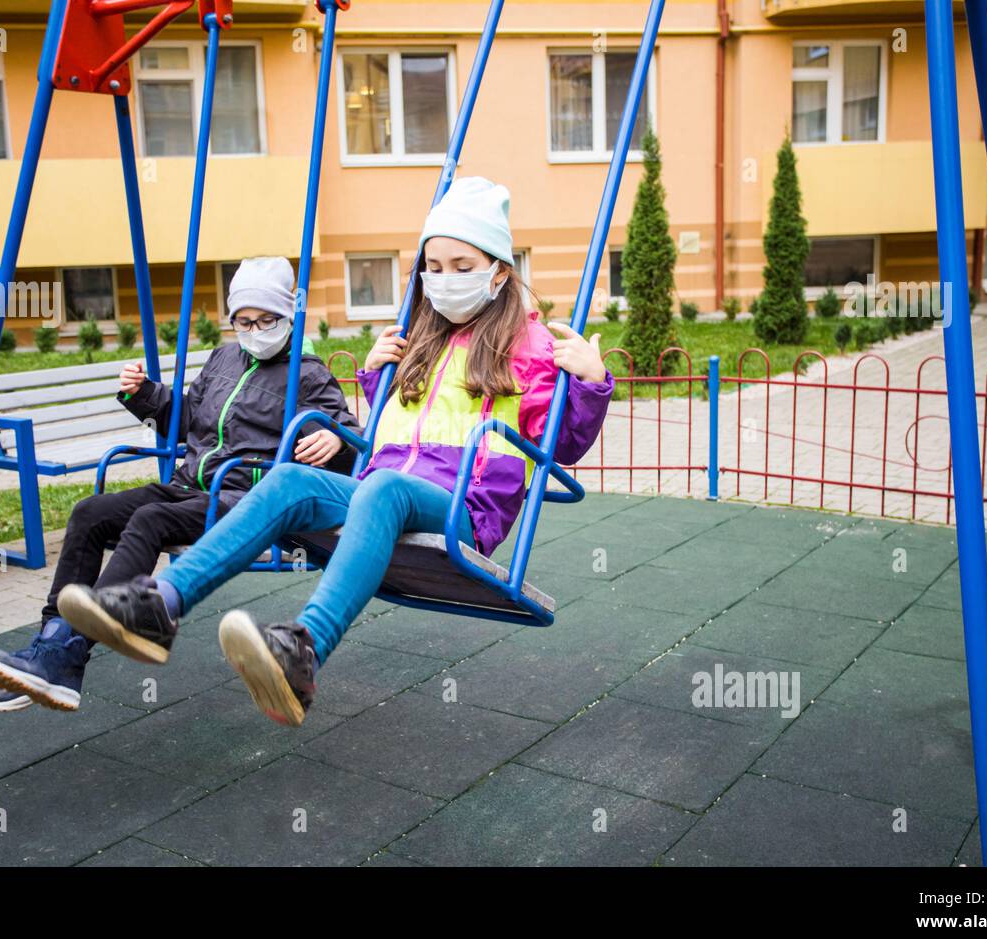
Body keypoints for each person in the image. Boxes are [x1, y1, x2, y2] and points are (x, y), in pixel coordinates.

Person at [58, 176, 613, 727]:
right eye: (434, 267)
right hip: (382, 491)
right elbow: (402, 425)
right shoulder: (419, 336)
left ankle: (303, 649)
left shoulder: (533, 346)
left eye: (463, 268)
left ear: (499, 271)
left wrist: (590, 383)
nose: (445, 281)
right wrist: (377, 375)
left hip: (461, 510)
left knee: (383, 486)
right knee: (287, 480)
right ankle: (163, 604)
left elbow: (559, 445)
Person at [0, 256, 360, 712]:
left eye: (267, 320)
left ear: (287, 316)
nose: (254, 331)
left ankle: (66, 653)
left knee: (150, 519)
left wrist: (334, 440)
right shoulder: (224, 359)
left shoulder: (306, 372)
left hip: (240, 499)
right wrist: (144, 396)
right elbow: (187, 419)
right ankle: (51, 642)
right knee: (89, 513)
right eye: (244, 321)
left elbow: (347, 432)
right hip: (188, 484)